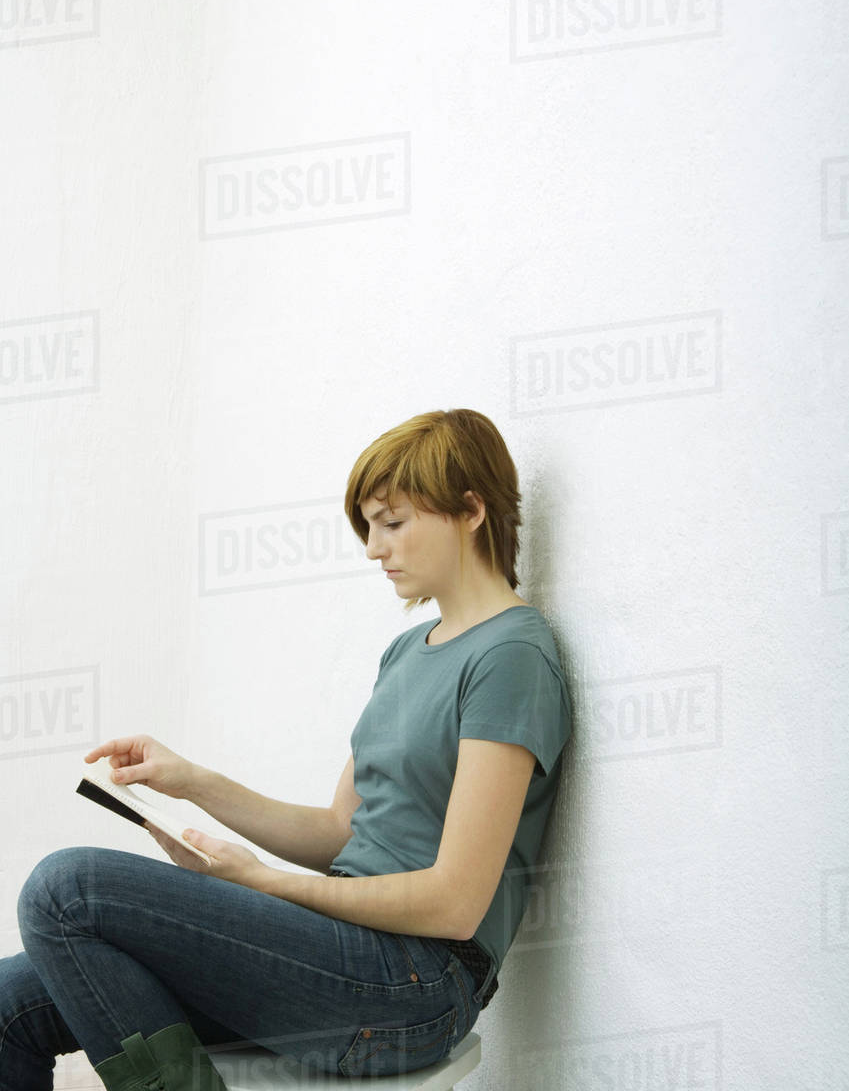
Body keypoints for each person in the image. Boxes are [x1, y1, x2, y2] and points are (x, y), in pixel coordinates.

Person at [1, 408, 571, 1089]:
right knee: (8, 1005)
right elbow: (338, 832)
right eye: (369, 527)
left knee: (65, 890)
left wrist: (260, 881)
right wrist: (190, 781)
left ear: (471, 511)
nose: (373, 548)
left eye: (392, 523)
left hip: (415, 982)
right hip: (337, 951)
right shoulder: (405, 653)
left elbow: (454, 903)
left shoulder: (510, 655)